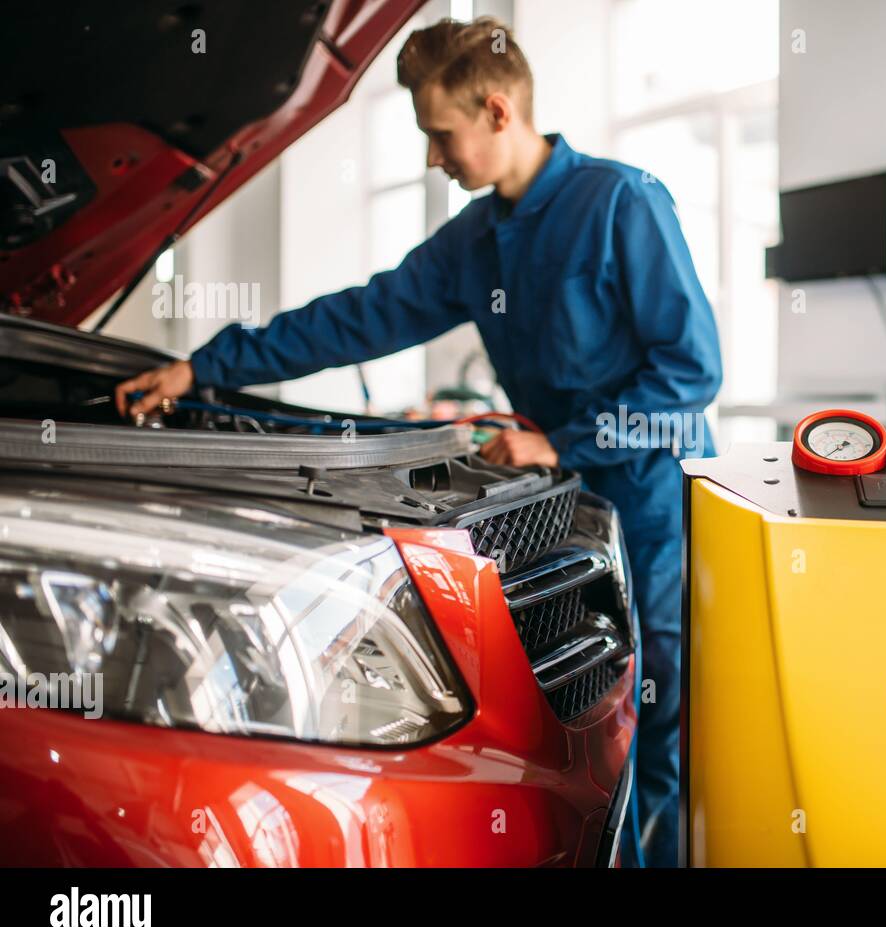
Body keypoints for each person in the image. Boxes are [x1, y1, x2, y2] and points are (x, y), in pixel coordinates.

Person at [114, 16, 722, 868]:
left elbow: (691, 376)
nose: (435, 159)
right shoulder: (477, 243)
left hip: (647, 514)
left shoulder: (622, 203)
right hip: (555, 519)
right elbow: (355, 318)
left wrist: (562, 441)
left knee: (654, 724)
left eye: (442, 135)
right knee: (574, 726)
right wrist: (204, 369)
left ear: (499, 112)